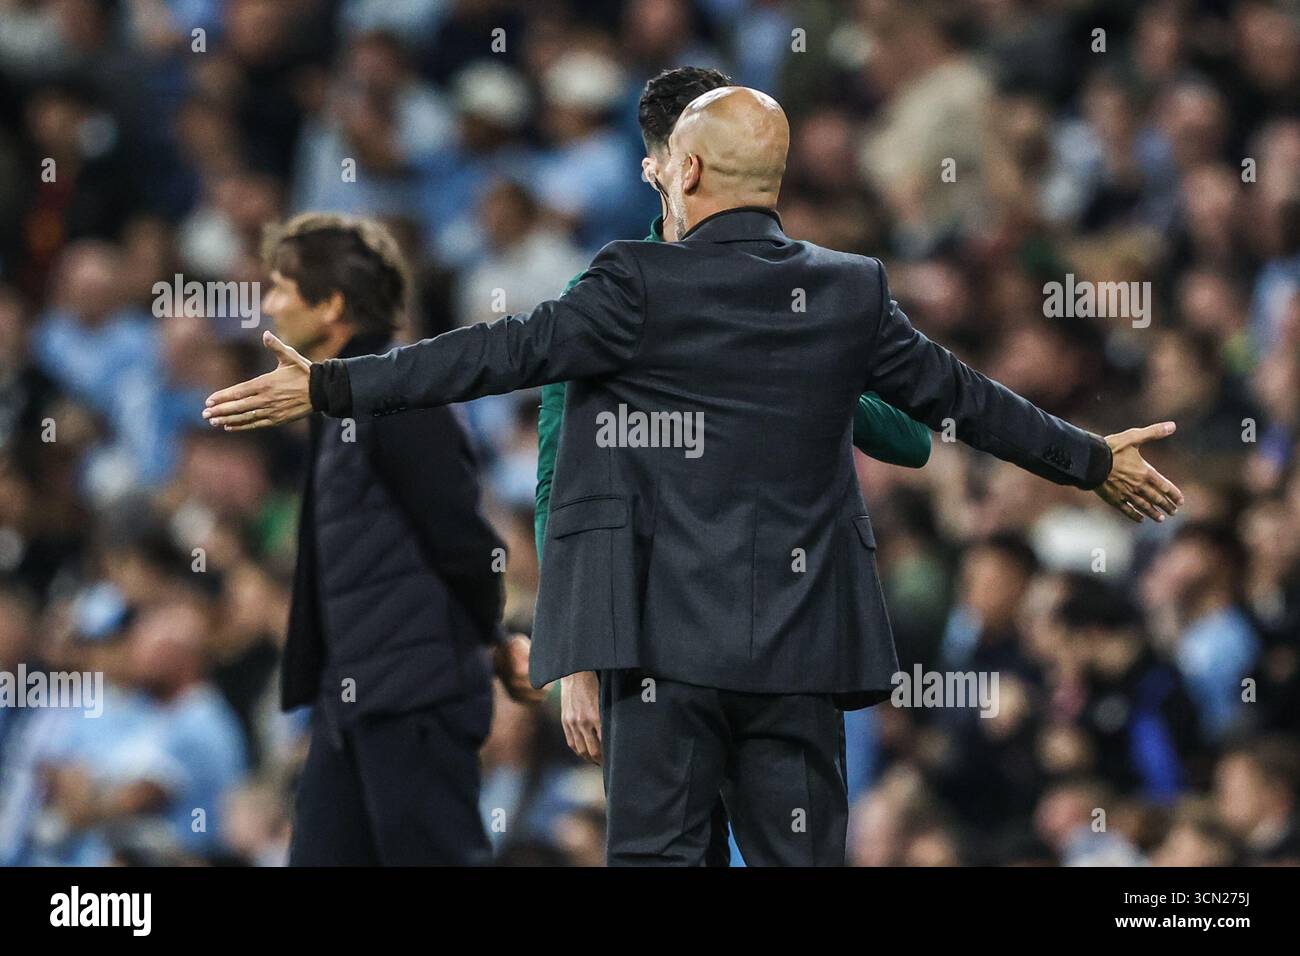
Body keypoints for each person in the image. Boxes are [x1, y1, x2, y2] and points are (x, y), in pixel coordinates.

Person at [203, 88, 1183, 866]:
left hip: (662, 650)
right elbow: (964, 400)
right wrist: (1091, 460)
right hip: (802, 651)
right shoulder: (848, 288)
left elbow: (493, 353)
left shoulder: (633, 280)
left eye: (666, 163)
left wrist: (335, 384)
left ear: (690, 170)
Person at [538, 66, 931, 867]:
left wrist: (786, 379)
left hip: (783, 638)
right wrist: (576, 654)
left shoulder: (803, 294)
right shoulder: (607, 299)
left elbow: (915, 439)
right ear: (667, 166)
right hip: (653, 646)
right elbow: (558, 482)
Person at [258, 213, 537, 866]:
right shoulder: (340, 403)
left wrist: (491, 641)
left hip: (414, 695)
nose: (267, 303)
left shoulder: (400, 393)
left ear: (330, 305)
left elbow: (463, 537)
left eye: (281, 287)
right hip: (351, 700)